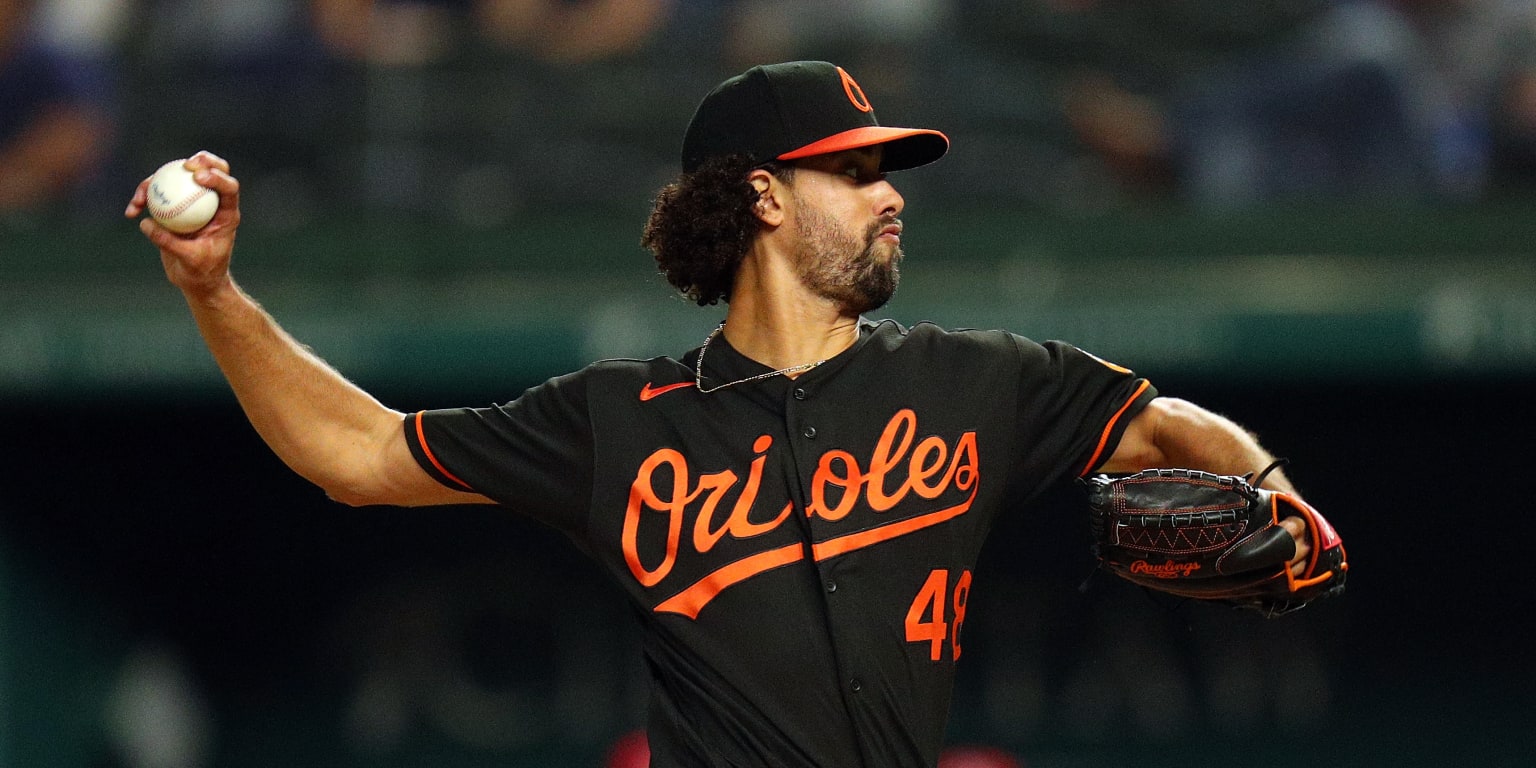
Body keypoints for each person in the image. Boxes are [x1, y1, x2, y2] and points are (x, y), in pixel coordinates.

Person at [126, 61, 1324, 767]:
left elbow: (1163, 425)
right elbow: (359, 452)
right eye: (854, 171)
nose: (889, 195)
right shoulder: (618, 421)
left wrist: (1267, 485)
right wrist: (214, 291)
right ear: (762, 194)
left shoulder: (976, 381)